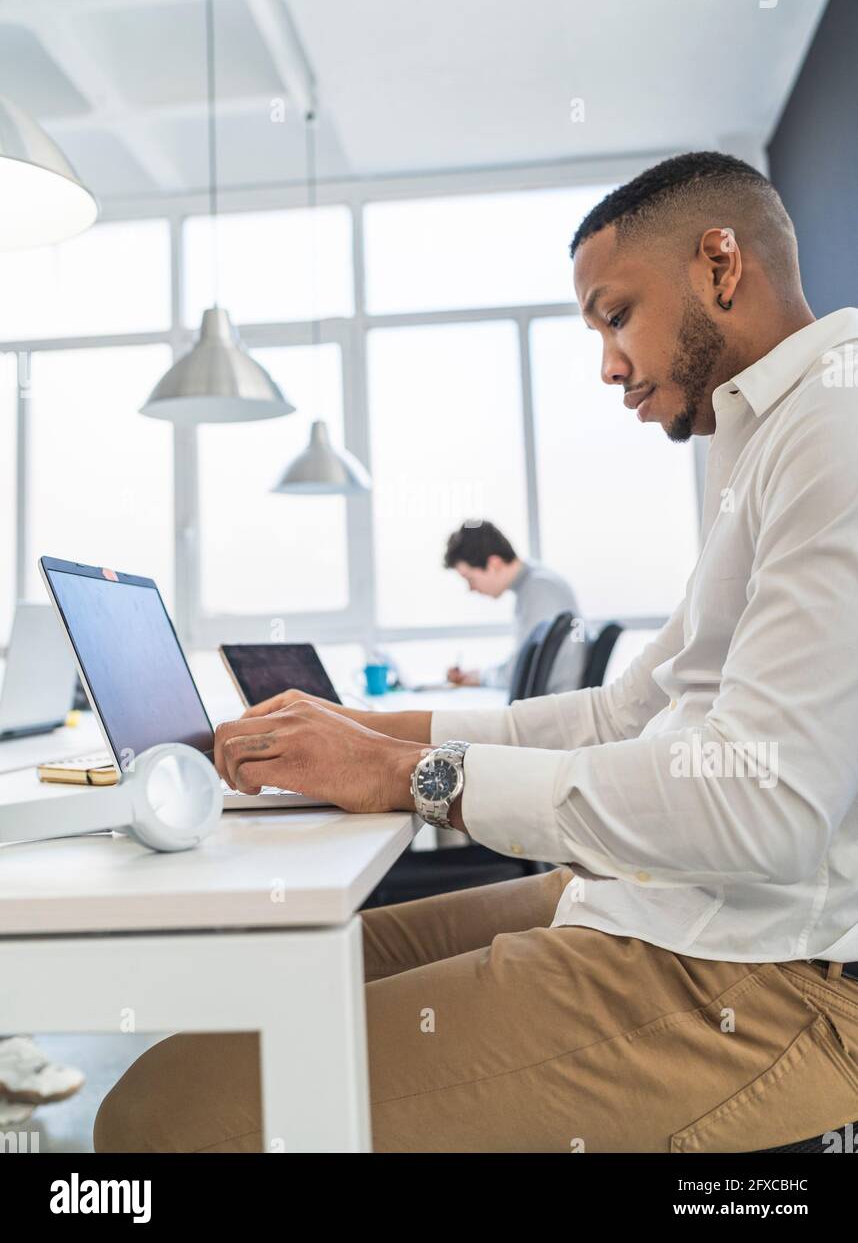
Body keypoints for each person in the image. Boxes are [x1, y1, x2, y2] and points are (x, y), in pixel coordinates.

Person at [94, 152, 858, 1154]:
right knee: (265, 983)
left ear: (722, 264)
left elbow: (765, 806)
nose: (609, 366)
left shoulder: (835, 430)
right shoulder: (766, 439)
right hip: (657, 902)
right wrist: (360, 734)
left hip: (762, 975)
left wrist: (416, 774)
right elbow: (619, 715)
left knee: (164, 1120)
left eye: (616, 314)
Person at [443, 520, 584, 692]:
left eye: (470, 578)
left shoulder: (538, 590)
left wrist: (482, 677)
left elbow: (522, 671)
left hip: (555, 705)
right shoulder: (536, 583)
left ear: (494, 564)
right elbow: (523, 663)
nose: (471, 588)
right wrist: (479, 675)